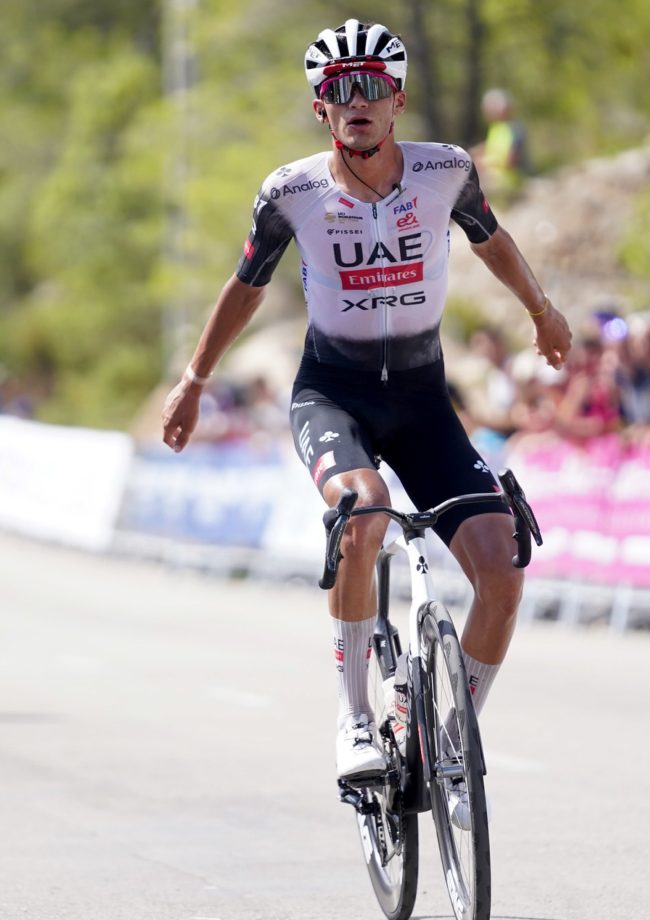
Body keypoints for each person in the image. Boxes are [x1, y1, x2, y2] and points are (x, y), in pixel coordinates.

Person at [161, 19, 571, 826]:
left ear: (397, 101)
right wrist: (193, 379)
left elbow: (491, 240)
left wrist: (543, 311)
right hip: (334, 395)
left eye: (371, 88)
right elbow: (244, 287)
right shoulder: (291, 191)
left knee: (503, 564)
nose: (357, 102)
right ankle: (353, 718)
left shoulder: (447, 171)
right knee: (365, 513)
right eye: (339, 91)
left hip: (422, 399)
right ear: (321, 109)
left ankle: (450, 741)